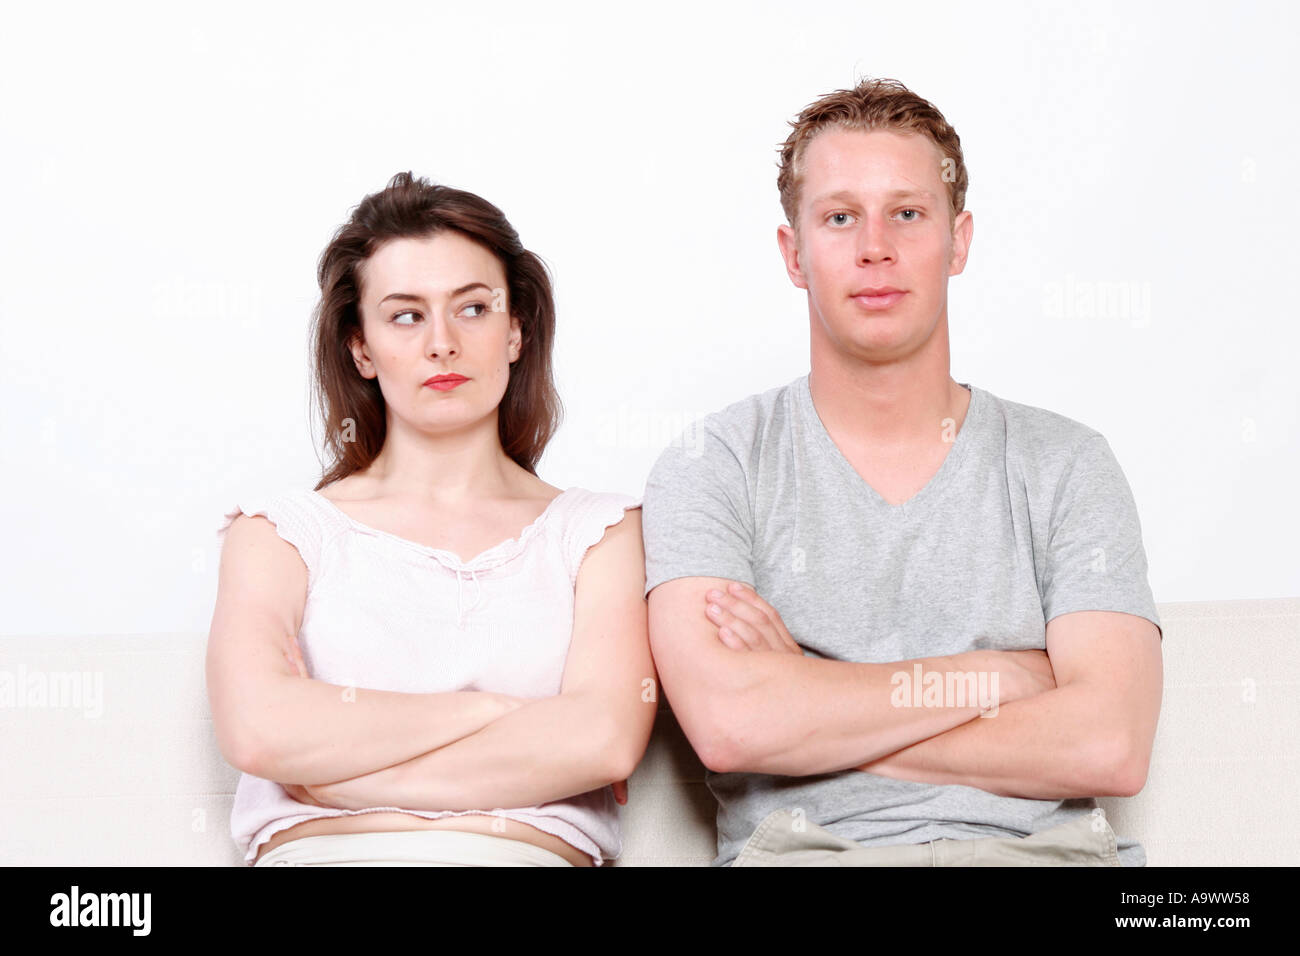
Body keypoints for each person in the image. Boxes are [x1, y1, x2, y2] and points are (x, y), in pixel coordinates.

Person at [640, 78, 1164, 867]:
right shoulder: (714, 463)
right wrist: (993, 676)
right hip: (808, 856)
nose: (874, 246)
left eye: (908, 213)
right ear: (794, 254)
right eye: (840, 216)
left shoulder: (1066, 464)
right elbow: (731, 726)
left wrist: (814, 709)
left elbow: (1110, 744)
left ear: (959, 241)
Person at [207, 171, 655, 867]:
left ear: (516, 330)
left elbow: (602, 741)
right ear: (362, 347)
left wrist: (334, 773)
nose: (442, 343)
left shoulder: (599, 532)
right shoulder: (277, 533)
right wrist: (490, 712)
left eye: (473, 309)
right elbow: (256, 729)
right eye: (407, 315)